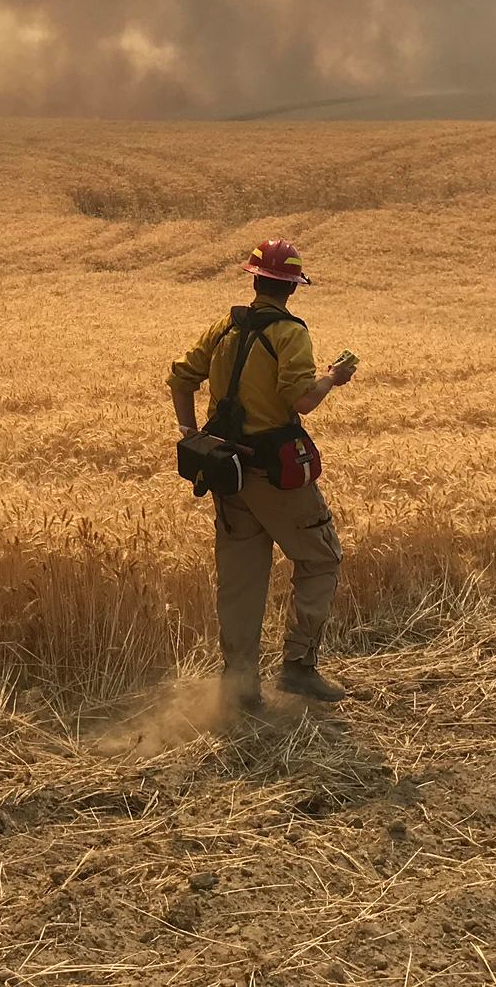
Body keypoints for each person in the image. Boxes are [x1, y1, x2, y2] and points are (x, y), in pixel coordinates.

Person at [168, 239, 358, 709]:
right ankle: (298, 668)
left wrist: (191, 433)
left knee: (240, 581)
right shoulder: (290, 333)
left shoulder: (224, 327)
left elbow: (179, 378)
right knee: (321, 558)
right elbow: (302, 401)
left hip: (226, 472)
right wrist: (333, 376)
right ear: (292, 289)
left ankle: (239, 688)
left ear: (253, 280)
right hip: (276, 476)